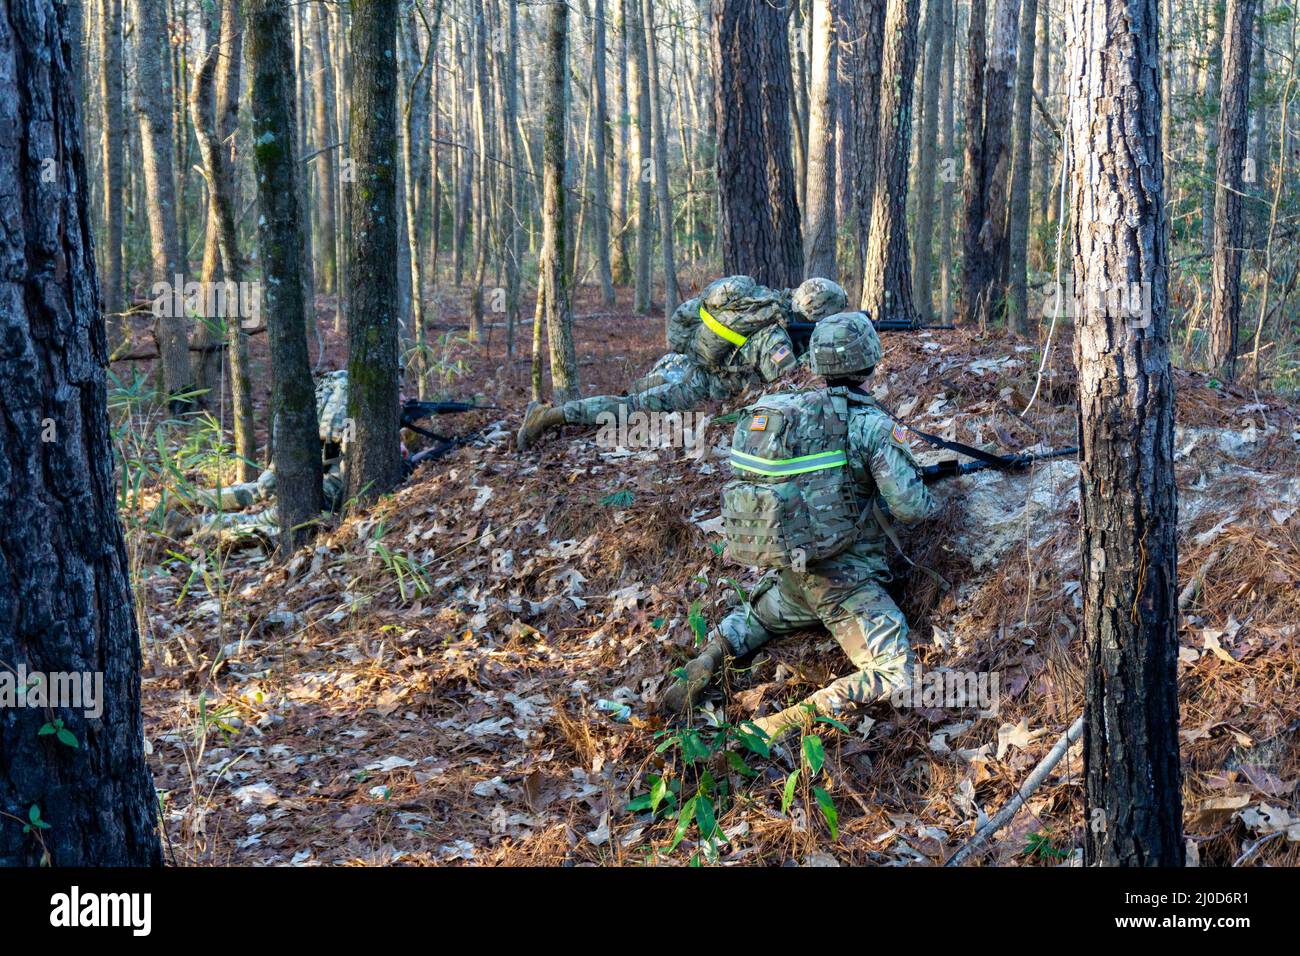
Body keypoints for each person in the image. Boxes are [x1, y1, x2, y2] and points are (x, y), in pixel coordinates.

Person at [661, 311, 937, 742]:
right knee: (894, 674)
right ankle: (778, 724)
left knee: (756, 619)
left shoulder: (795, 416)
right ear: (870, 359)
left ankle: (709, 658)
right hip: (846, 587)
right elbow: (912, 508)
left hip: (793, 576)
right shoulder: (870, 425)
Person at [515, 277, 848, 451]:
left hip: (698, 366)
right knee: (634, 408)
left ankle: (651, 383)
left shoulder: (765, 302)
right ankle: (550, 416)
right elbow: (789, 386)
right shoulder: (776, 337)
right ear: (817, 313)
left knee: (651, 389)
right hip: (707, 384)